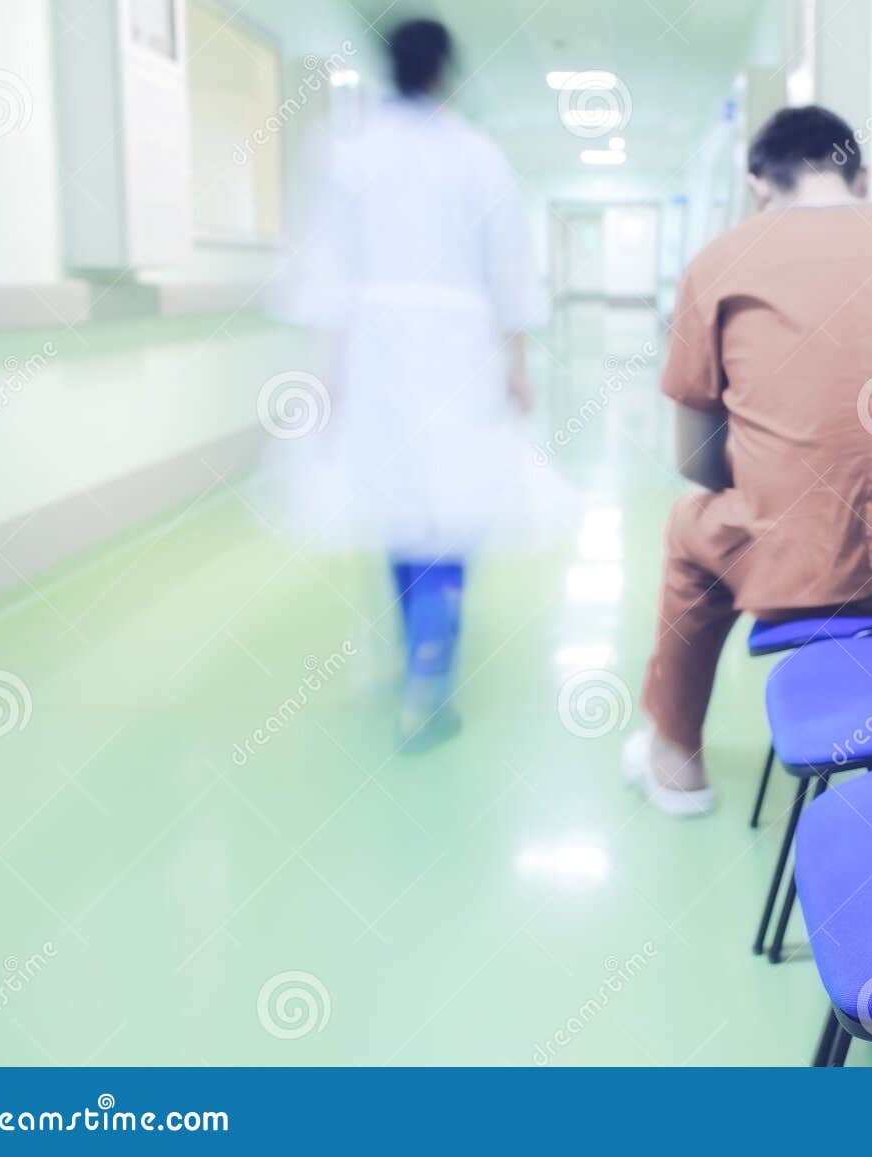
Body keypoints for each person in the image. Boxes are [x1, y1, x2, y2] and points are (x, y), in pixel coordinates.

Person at [623, 105, 872, 815]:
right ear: (861, 173)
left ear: (758, 183)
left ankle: (676, 757)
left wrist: (783, 493)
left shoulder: (720, 263)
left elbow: (695, 460)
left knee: (690, 526)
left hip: (790, 573)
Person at [269, 19, 566, 749]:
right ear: (446, 75)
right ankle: (431, 667)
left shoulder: (349, 152)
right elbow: (510, 272)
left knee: (395, 498)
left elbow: (327, 274)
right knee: (453, 500)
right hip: (458, 344)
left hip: (374, 347)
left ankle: (416, 653)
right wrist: (517, 365)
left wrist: (326, 375)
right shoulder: (479, 156)